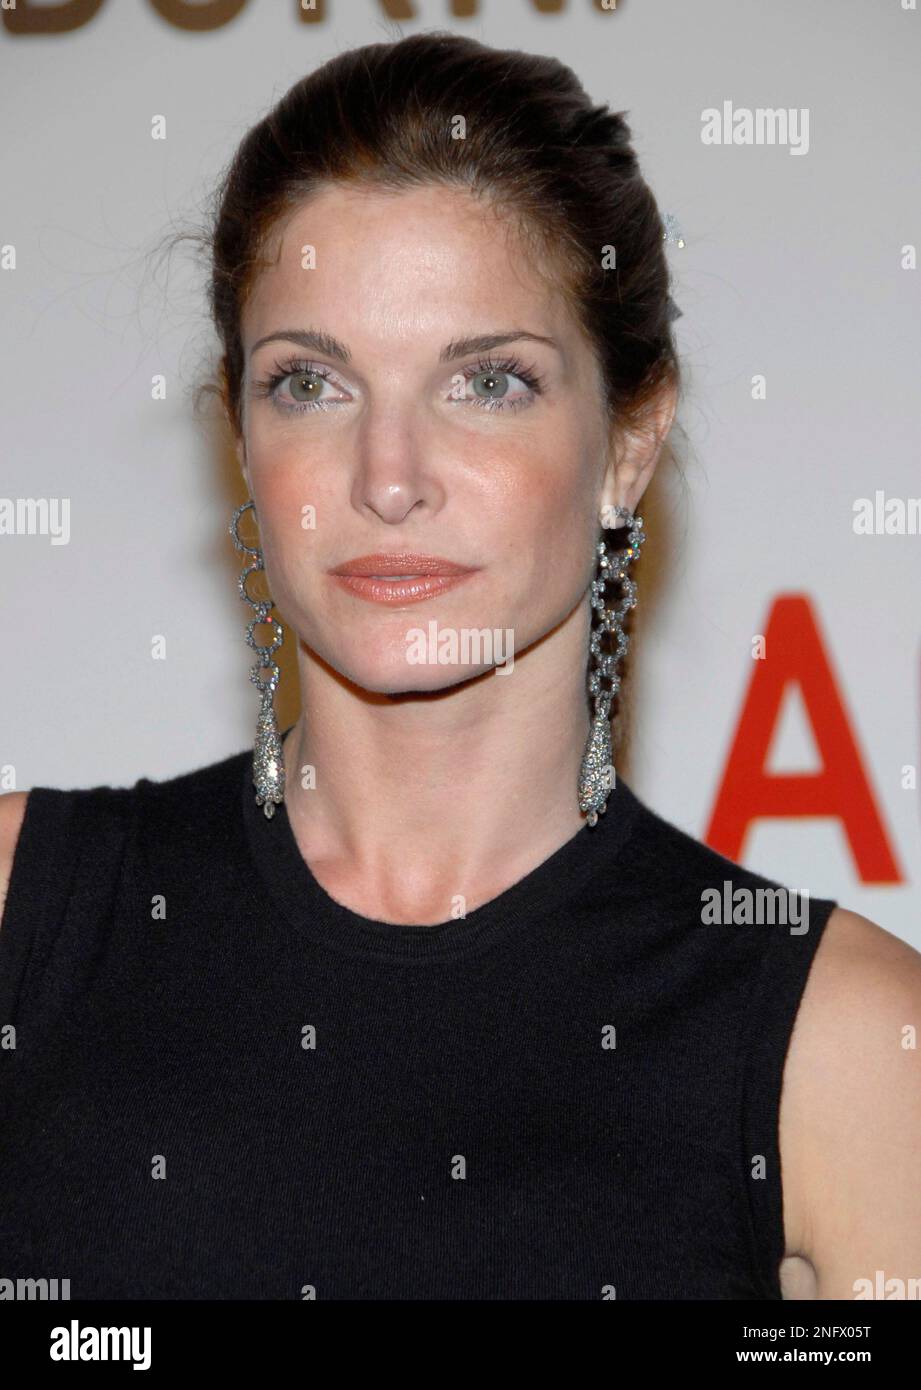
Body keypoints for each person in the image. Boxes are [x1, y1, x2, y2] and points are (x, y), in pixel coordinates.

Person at [1, 31, 919, 1302]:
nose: (388, 478)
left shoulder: (845, 1041)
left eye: (488, 382)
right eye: (310, 384)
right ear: (239, 435)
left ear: (628, 446)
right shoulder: (25, 916)